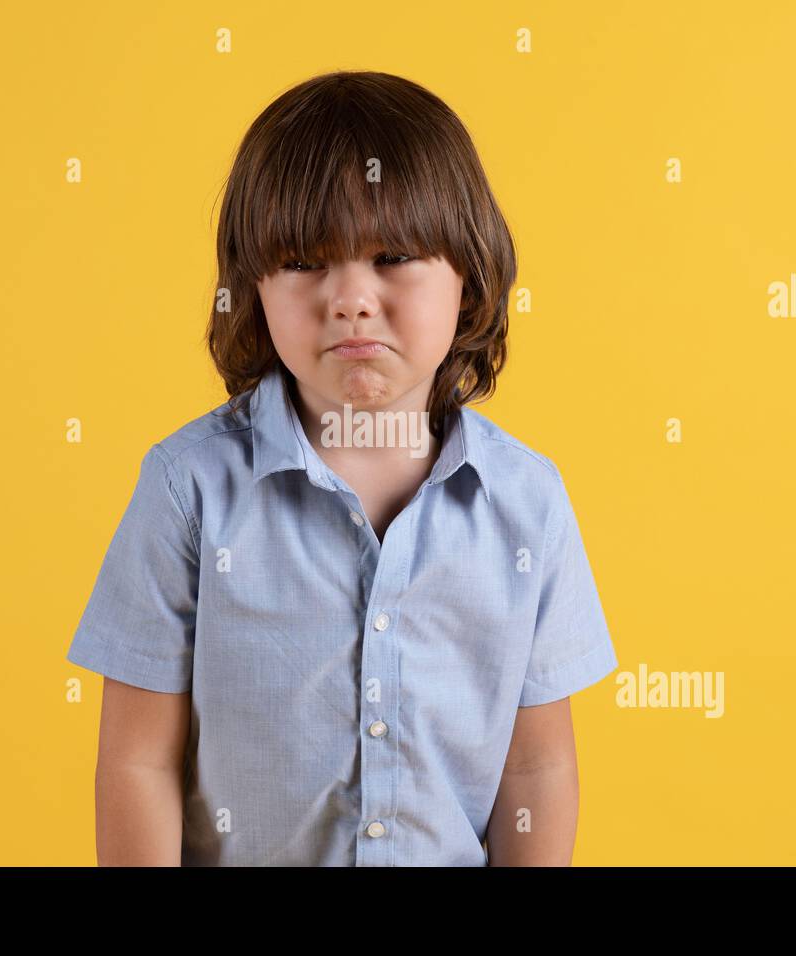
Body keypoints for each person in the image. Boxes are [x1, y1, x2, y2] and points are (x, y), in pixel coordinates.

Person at [66, 70, 618, 866]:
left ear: (467, 278)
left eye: (394, 256)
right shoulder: (188, 491)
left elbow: (537, 765)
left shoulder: (525, 502)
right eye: (303, 262)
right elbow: (137, 760)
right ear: (254, 288)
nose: (351, 298)